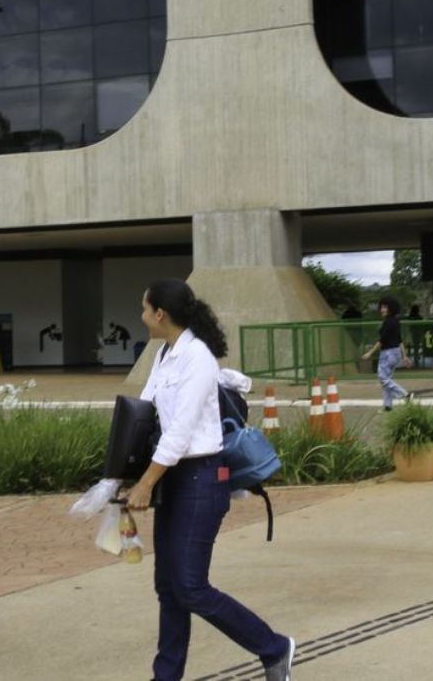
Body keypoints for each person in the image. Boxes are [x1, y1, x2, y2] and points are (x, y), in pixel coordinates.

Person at [123, 278, 294, 681]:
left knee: (190, 587)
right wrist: (121, 470)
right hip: (176, 478)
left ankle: (274, 647)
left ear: (159, 314)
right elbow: (144, 411)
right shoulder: (165, 354)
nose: (142, 315)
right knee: (169, 586)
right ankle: (166, 676)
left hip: (201, 479)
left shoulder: (197, 358)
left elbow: (179, 433)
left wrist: (145, 482)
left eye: (144, 309)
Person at [362, 297, 413, 411]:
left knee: (383, 378)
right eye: (382, 307)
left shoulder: (388, 322)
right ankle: (387, 406)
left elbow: (382, 341)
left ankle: (405, 394)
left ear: (390, 308)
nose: (382, 309)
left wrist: (370, 353)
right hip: (396, 353)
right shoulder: (396, 321)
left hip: (387, 353)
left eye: (385, 307)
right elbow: (399, 340)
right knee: (387, 379)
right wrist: (404, 356)